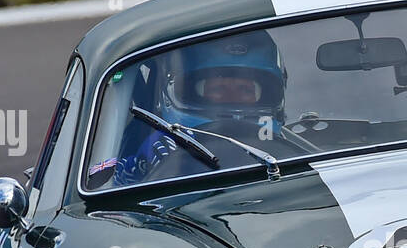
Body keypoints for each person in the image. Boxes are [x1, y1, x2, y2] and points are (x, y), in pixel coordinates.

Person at [113, 30, 288, 185]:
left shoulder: (290, 147)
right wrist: (140, 165)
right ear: (183, 90)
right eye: (217, 89)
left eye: (245, 90)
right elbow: (106, 182)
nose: (232, 98)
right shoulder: (156, 147)